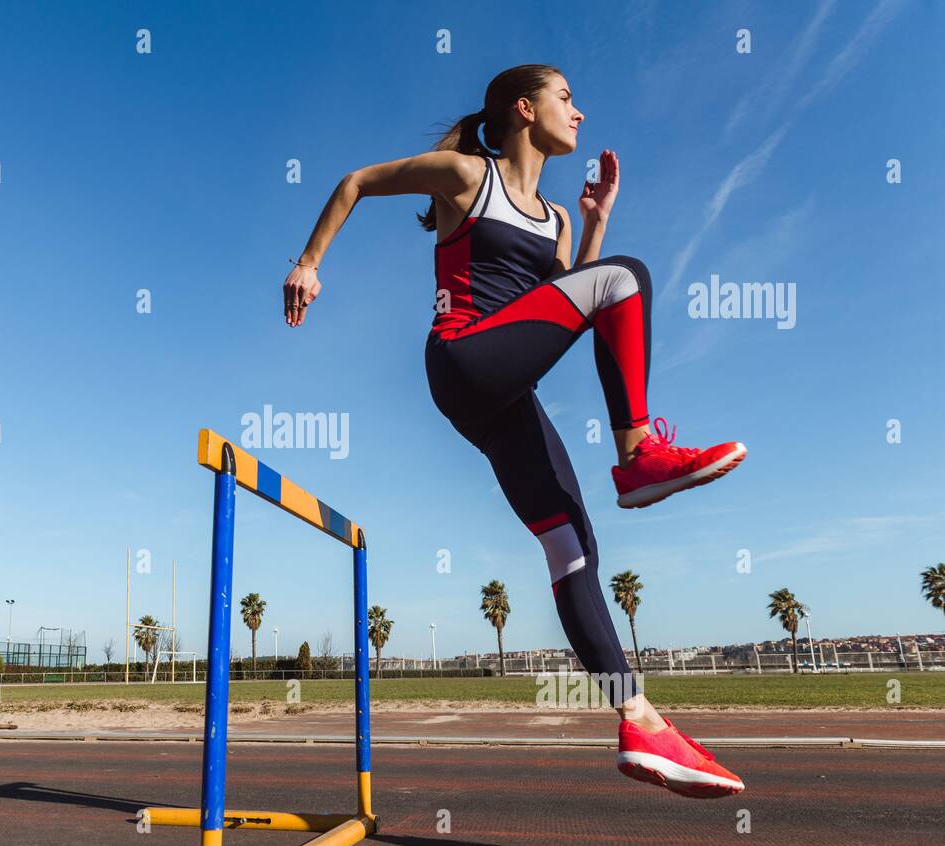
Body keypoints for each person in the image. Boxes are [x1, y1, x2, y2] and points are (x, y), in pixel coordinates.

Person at [282, 64, 745, 798]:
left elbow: (573, 302)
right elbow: (355, 182)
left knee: (573, 546)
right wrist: (308, 263)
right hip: (462, 358)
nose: (581, 113)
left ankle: (640, 720)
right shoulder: (466, 175)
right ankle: (636, 454)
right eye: (568, 98)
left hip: (504, 391)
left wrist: (593, 223)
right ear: (524, 109)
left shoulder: (558, 218)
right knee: (629, 278)